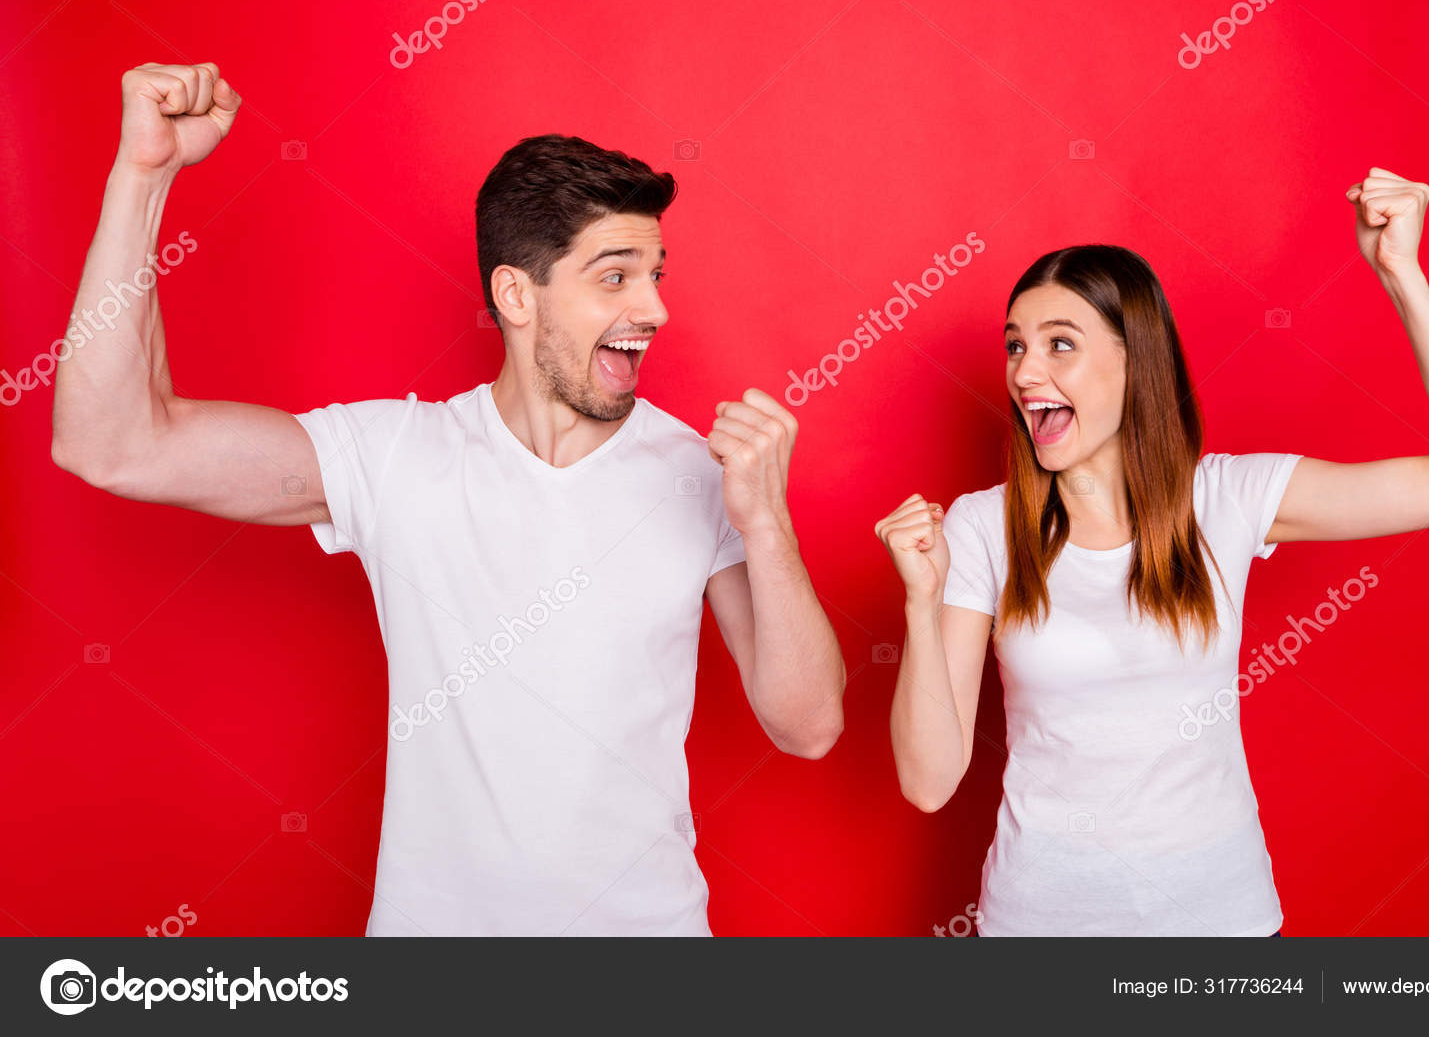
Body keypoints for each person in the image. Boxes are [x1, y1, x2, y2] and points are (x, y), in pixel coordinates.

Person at [51, 62, 846, 936]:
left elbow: (806, 725)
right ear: (516, 294)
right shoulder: (396, 457)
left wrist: (766, 525)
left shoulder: (697, 474)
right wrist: (144, 178)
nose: (654, 308)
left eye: (657, 273)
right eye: (616, 277)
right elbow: (114, 442)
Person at [874, 168, 1429, 936]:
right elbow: (928, 782)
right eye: (1016, 346)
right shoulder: (982, 528)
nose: (1025, 373)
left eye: (1061, 345)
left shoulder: (1228, 499)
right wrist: (923, 602)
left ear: (1136, 362)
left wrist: (1402, 275)